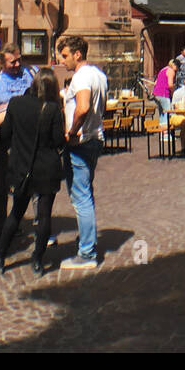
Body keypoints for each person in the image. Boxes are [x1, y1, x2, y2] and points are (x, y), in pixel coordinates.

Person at [0, 67, 66, 276]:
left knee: (16, 212)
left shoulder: (16, 104)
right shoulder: (52, 108)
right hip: (46, 168)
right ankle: (37, 259)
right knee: (44, 216)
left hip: (21, 166)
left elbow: (5, 132)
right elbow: (58, 141)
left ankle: (0, 256)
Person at [57, 35, 106, 271]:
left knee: (80, 196)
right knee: (86, 192)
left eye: (65, 55)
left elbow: (83, 107)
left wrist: (72, 131)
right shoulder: (99, 75)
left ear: (78, 54)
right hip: (95, 138)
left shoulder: (82, 76)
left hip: (81, 141)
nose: (62, 60)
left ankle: (87, 252)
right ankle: (88, 238)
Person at [0, 45, 34, 245]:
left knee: (28, 183)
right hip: (2, 140)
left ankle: (18, 222)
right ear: (2, 63)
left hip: (26, 138)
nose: (17, 64)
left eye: (19, 59)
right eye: (13, 62)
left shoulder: (31, 73)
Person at [152, 59, 178, 123]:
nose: (177, 69)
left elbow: (156, 82)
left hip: (156, 94)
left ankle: (162, 131)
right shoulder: (171, 71)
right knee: (167, 113)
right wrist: (173, 92)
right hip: (164, 94)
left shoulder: (163, 70)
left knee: (162, 114)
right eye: (177, 67)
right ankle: (166, 131)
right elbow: (170, 85)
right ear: (174, 65)